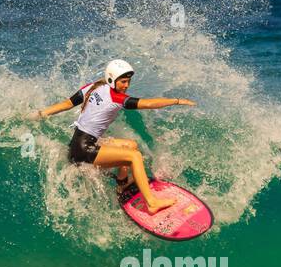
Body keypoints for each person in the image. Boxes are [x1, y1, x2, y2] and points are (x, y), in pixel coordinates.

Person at [34, 59, 196, 214]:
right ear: (111, 79)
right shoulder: (116, 98)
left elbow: (67, 104)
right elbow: (148, 104)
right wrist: (176, 100)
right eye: (123, 82)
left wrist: (42, 113)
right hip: (83, 150)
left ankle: (122, 184)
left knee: (130, 145)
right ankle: (152, 203)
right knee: (134, 156)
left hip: (78, 145)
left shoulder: (92, 87)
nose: (127, 86)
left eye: (128, 81)